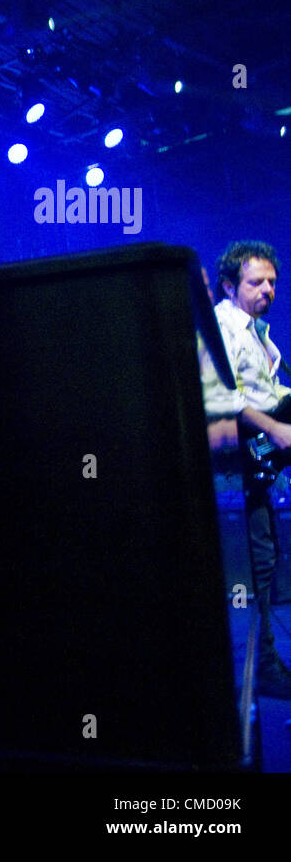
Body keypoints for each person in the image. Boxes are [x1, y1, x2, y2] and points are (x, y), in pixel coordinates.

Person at [212, 240, 291, 697]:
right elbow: (225, 395)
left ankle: (267, 661)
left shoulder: (259, 332)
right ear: (229, 285)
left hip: (262, 457)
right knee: (258, 564)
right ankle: (262, 666)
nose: (268, 290)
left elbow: (271, 392)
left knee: (266, 559)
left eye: (273, 282)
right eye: (256, 282)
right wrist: (276, 431)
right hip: (240, 459)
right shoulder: (224, 326)